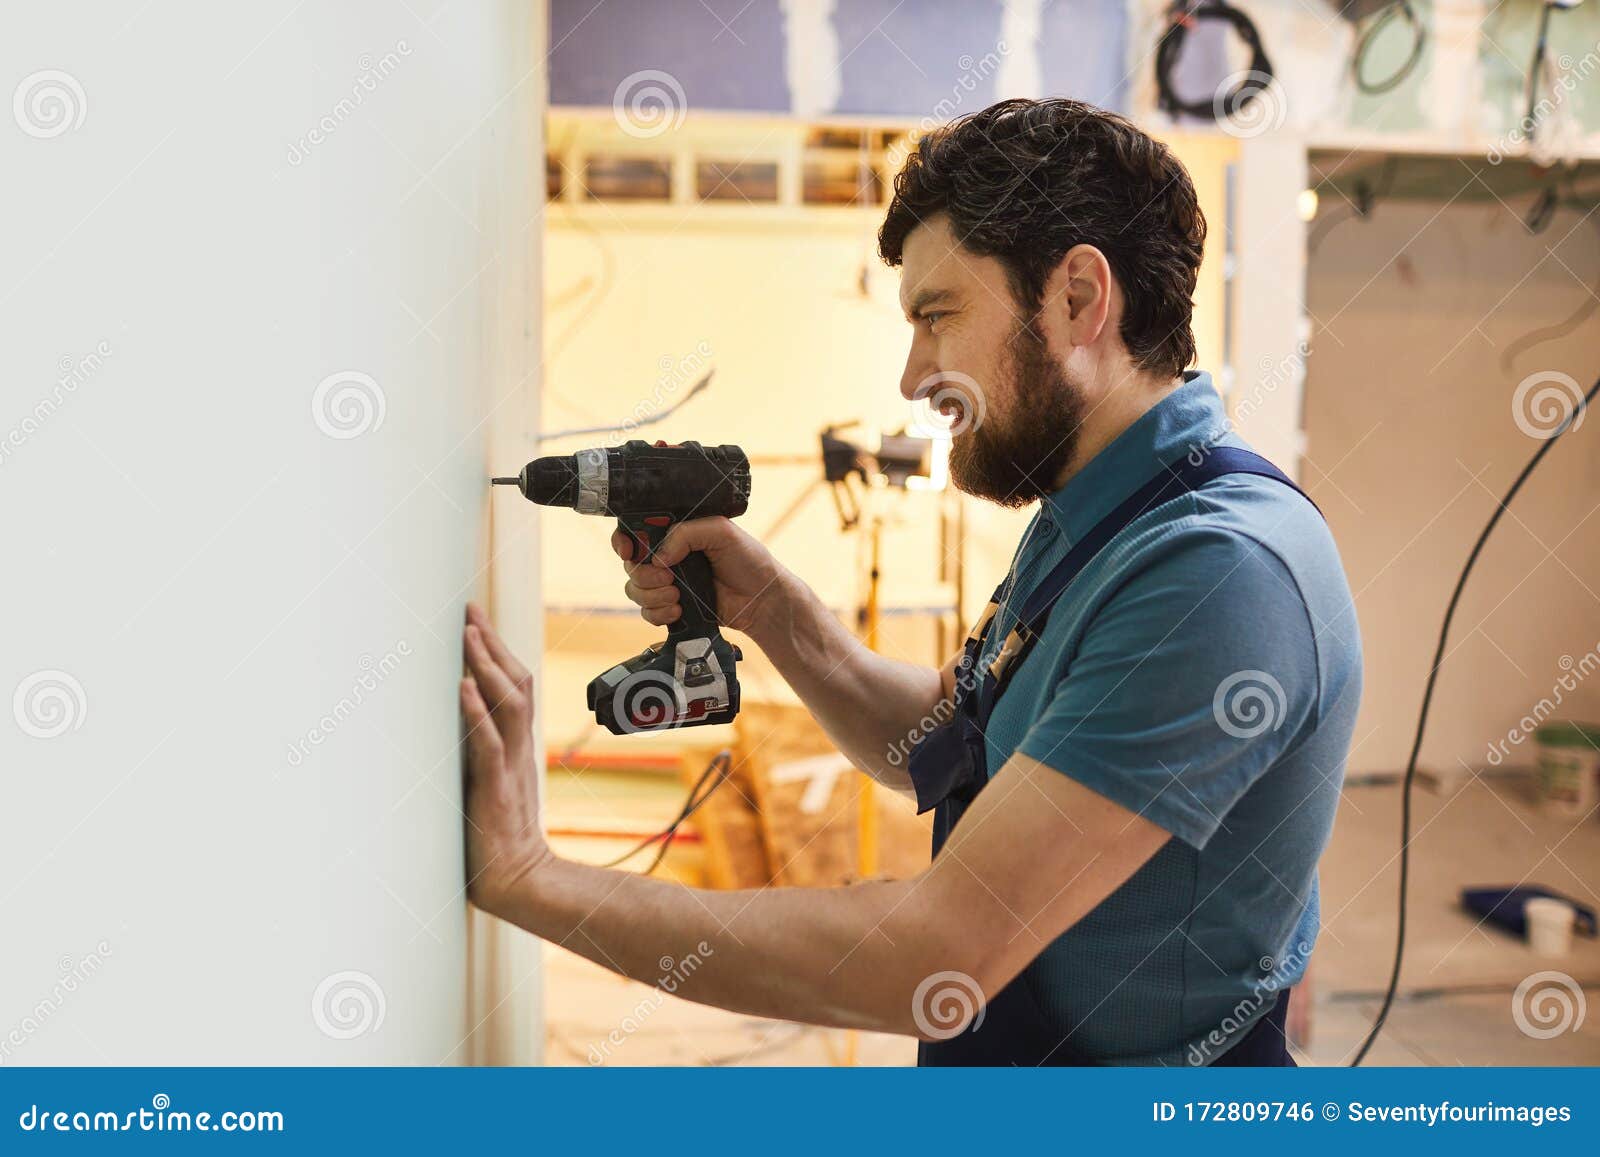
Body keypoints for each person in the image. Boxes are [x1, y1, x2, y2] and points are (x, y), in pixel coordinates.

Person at [459, 98, 1362, 1066]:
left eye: (938, 316)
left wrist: (529, 875)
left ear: (1076, 298)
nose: (910, 375)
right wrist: (774, 612)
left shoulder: (1215, 572)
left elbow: (935, 954)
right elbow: (955, 744)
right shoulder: (1098, 511)